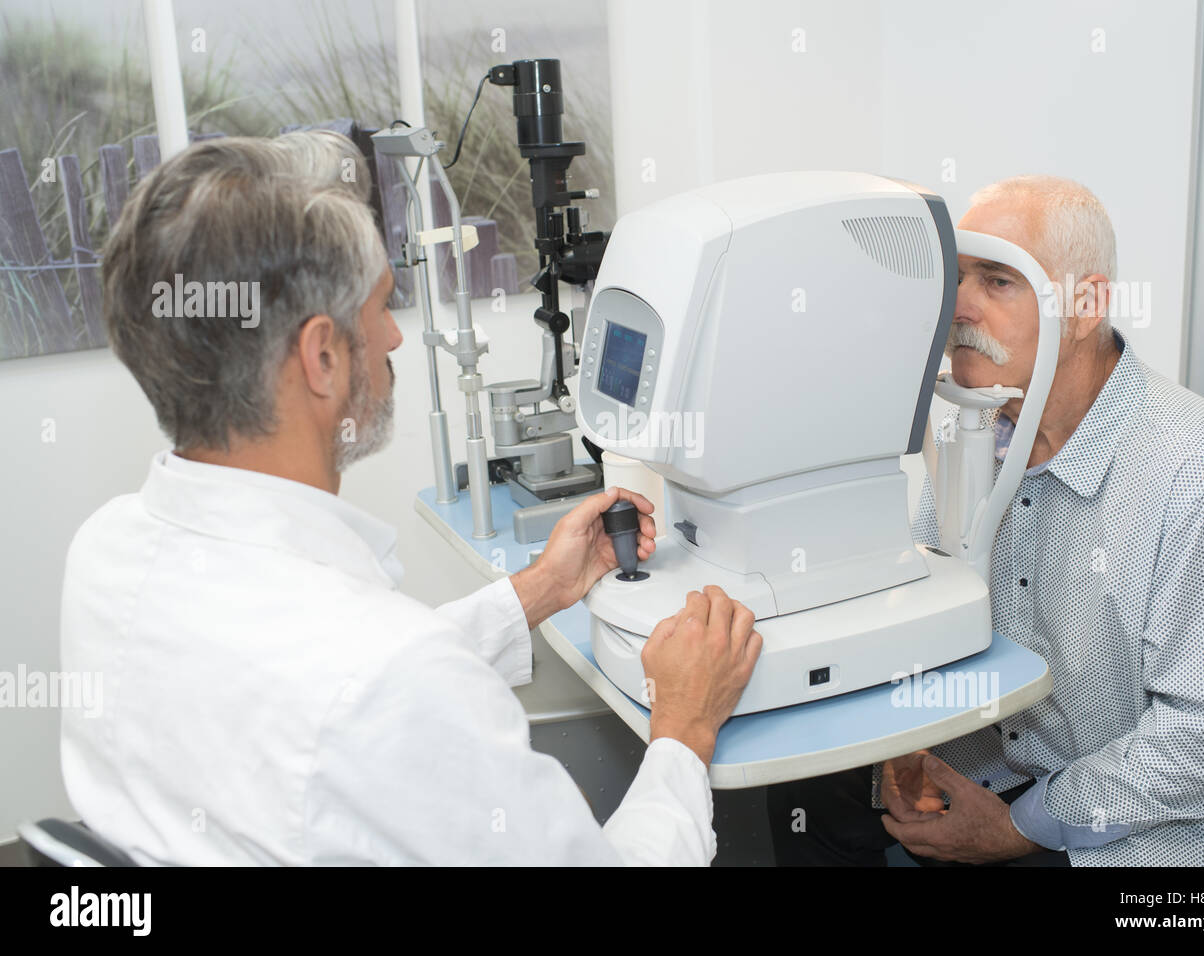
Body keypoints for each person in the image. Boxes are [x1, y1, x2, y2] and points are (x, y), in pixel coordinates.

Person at [60, 131, 761, 865]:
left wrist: (537, 591)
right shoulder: (388, 679)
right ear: (322, 357)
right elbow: (373, 690)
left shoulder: (105, 551)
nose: (395, 337)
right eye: (381, 306)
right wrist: (683, 730)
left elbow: (319, 696)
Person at [767, 175, 1204, 866]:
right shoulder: (977, 436)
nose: (959, 307)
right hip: (1019, 758)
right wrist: (907, 744)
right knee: (807, 794)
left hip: (1187, 817)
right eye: (957, 280)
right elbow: (932, 617)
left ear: (1084, 307)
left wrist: (1019, 827)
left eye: (997, 281)